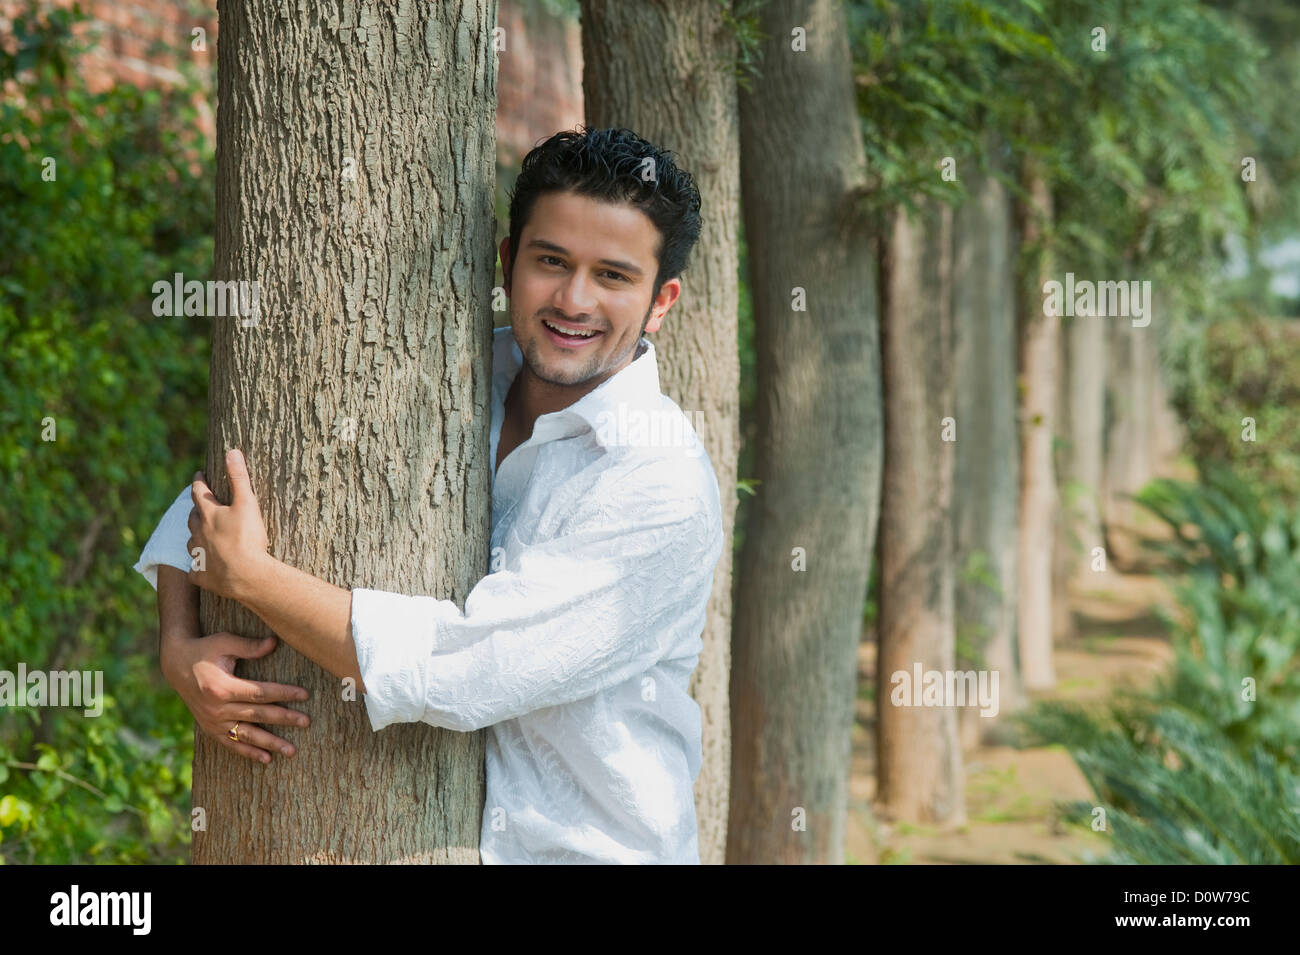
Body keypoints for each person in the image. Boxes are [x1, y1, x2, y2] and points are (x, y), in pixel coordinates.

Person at [134, 126, 723, 864]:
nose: (574, 299)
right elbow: (231, 489)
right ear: (509, 261)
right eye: (551, 261)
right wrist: (178, 637)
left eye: (612, 275)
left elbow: (468, 667)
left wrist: (253, 578)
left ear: (660, 300)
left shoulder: (657, 481)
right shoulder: (448, 366)